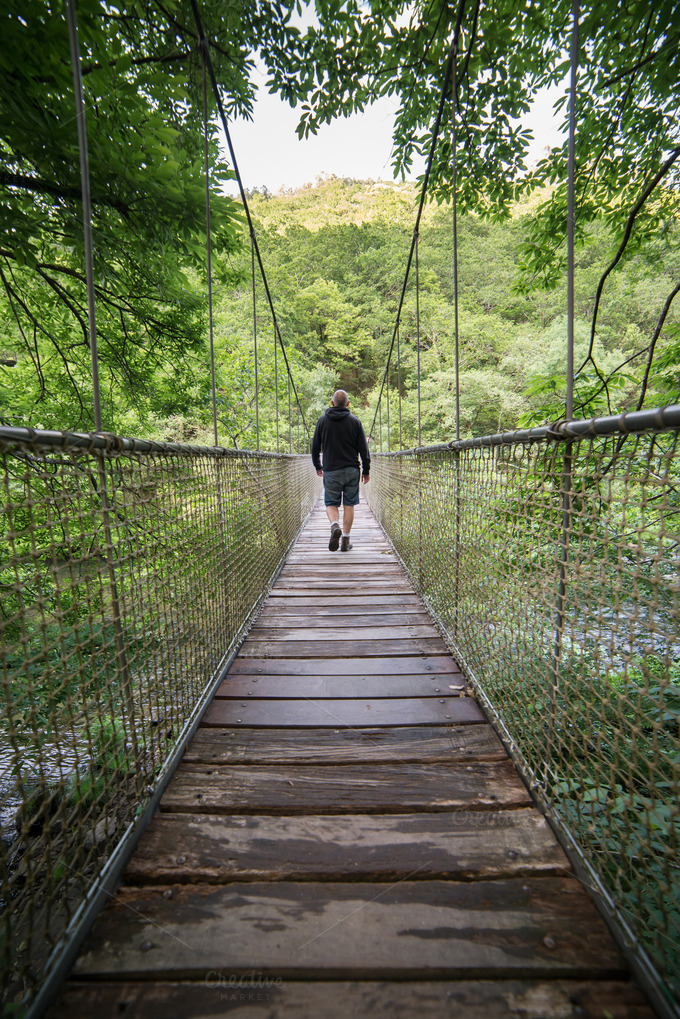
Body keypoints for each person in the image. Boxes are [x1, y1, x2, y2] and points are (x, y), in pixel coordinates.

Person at [311, 389, 370, 551]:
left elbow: (315, 447)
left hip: (331, 470)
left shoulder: (322, 421)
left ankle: (334, 524)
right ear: (348, 404)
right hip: (351, 470)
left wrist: (318, 465)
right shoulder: (355, 421)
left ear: (332, 403)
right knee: (349, 505)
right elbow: (363, 449)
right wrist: (366, 469)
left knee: (331, 503)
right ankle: (345, 541)